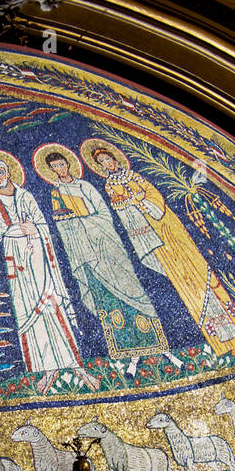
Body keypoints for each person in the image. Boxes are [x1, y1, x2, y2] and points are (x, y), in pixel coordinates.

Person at [86, 142, 235, 355]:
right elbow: (120, 208)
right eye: (102, 162)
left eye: (108, 159)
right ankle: (220, 341)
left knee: (198, 272)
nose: (107, 163)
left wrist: (142, 202)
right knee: (182, 282)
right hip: (147, 236)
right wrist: (130, 205)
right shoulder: (110, 186)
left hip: (165, 227)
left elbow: (154, 196)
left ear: (115, 159)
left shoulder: (134, 176)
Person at [0, 153, 99, 393]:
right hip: (14, 256)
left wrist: (34, 229)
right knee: (26, 311)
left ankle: (76, 365)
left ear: (9, 173)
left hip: (37, 253)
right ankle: (46, 370)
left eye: (0, 172)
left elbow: (43, 224)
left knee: (51, 304)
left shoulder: (25, 196)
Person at [38, 146, 165, 358]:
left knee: (130, 286)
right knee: (104, 299)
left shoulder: (85, 186)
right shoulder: (56, 193)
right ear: (51, 170)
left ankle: (158, 345)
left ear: (68, 164)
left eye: (62, 164)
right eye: (55, 167)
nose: (60, 169)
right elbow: (60, 224)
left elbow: (104, 214)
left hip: (106, 245)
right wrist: (71, 223)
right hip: (85, 254)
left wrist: (83, 221)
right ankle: (124, 353)